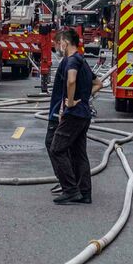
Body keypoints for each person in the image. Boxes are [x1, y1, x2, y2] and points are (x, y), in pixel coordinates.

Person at [49, 29, 96, 205]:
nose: (59, 46)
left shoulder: (71, 60)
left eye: (60, 43)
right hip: (84, 113)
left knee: (56, 149)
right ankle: (85, 192)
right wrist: (84, 97)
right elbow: (97, 82)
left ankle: (70, 190)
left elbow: (70, 80)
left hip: (74, 114)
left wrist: (69, 102)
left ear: (65, 43)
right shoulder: (82, 60)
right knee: (79, 153)